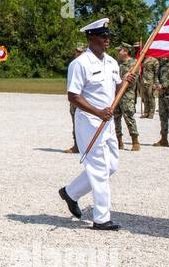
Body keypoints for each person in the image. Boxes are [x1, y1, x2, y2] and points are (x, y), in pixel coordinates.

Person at [58, 18, 123, 230]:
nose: (108, 40)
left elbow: (117, 87)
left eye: (108, 36)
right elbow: (73, 96)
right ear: (91, 37)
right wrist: (97, 111)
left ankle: (70, 192)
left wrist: (128, 82)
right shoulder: (80, 64)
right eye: (104, 36)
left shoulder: (112, 62)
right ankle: (101, 218)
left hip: (107, 121)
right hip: (89, 121)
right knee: (98, 168)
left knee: (111, 166)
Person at [113, 45, 140, 151]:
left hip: (127, 95)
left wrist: (123, 80)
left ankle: (135, 141)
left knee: (129, 117)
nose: (118, 53)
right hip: (115, 94)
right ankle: (119, 141)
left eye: (119, 51)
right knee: (115, 118)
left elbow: (132, 79)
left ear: (126, 52)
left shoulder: (134, 63)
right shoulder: (116, 63)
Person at [139, 54, 159, 118]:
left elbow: (157, 73)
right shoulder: (142, 59)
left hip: (151, 81)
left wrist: (155, 84)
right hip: (143, 81)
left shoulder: (154, 61)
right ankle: (146, 112)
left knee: (151, 97)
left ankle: (151, 112)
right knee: (145, 98)